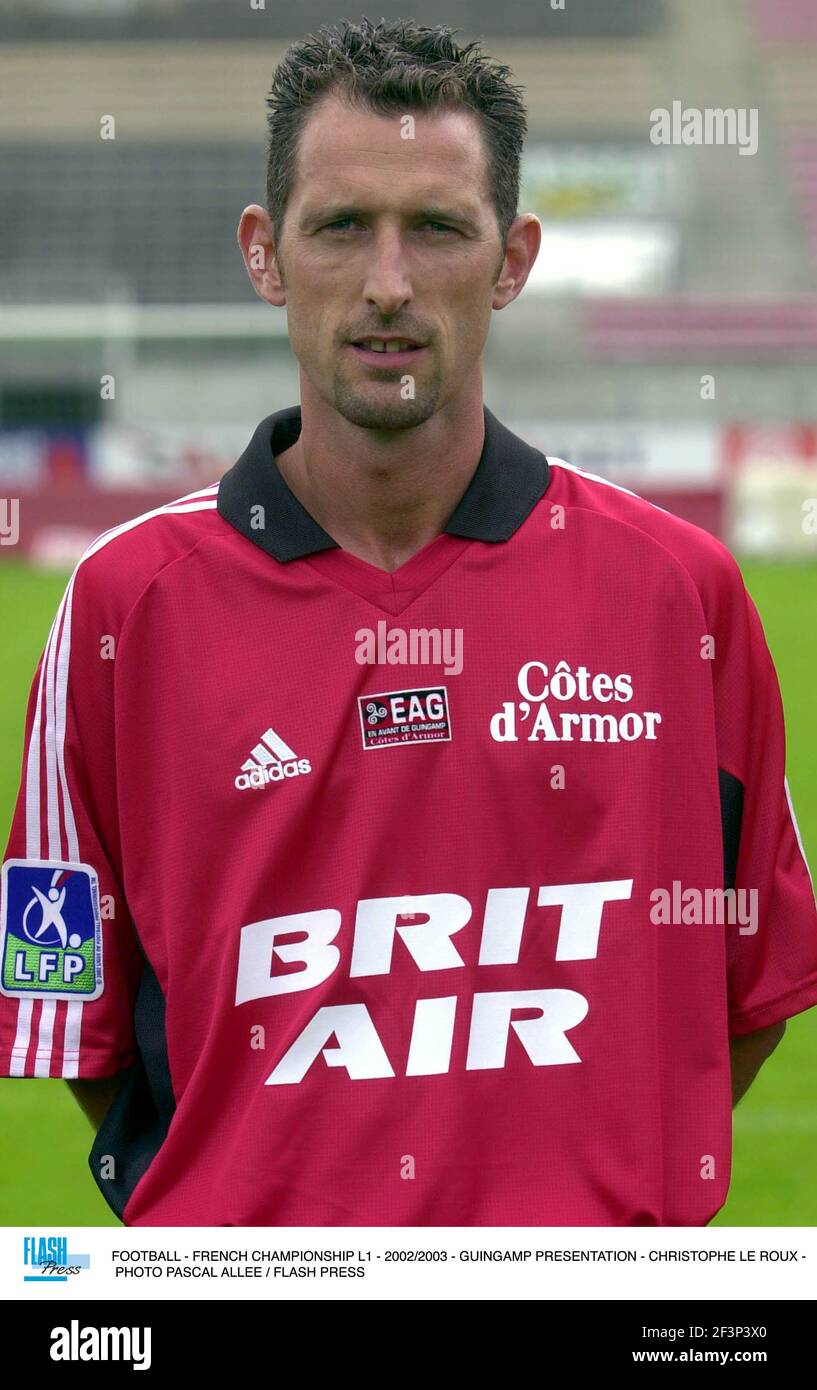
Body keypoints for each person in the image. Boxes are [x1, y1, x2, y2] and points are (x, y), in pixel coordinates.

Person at [1, 18, 816, 1226]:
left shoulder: (676, 596)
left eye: (436, 227)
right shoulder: (124, 606)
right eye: (341, 226)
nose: (388, 283)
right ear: (265, 253)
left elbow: (745, 992)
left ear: (513, 258)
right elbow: (76, 1012)